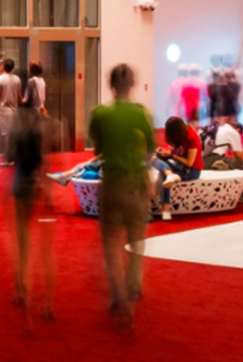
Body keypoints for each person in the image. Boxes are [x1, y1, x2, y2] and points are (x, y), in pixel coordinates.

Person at [88, 63, 155, 322]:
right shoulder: (141, 113)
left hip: (113, 183)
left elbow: (98, 148)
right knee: (137, 240)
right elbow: (150, 148)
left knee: (111, 245)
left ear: (111, 84)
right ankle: (134, 286)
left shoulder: (100, 114)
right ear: (133, 84)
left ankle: (118, 299)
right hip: (137, 183)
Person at [5, 104, 55, 319]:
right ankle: (48, 304)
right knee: (47, 250)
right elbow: (47, 160)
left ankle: (22, 288)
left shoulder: (17, 131)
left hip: (21, 184)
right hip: (40, 185)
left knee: (22, 239)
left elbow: (9, 155)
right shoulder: (43, 130)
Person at [153, 116, 202, 222]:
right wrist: (165, 153)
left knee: (163, 175)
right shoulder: (176, 137)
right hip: (176, 165)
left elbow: (189, 162)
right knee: (154, 159)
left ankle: (165, 209)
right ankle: (169, 173)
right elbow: (173, 152)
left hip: (191, 170)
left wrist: (170, 155)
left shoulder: (191, 137)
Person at [203, 120, 243, 203]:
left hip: (200, 160)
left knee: (224, 161)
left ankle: (221, 167)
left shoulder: (215, 129)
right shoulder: (233, 132)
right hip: (213, 159)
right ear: (238, 130)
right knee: (241, 164)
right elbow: (239, 156)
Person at [0, 58, 22, 152]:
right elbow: (19, 96)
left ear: (3, 66)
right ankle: (13, 156)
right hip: (14, 110)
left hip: (3, 111)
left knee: (5, 135)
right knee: (13, 134)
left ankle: (9, 157)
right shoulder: (17, 79)